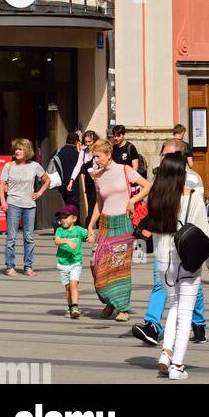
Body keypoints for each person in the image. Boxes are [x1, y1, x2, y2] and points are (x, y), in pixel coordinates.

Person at [130, 139, 208, 346]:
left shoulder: (192, 179)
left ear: (179, 156)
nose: (162, 157)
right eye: (162, 154)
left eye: (167, 154)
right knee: (160, 283)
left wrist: (208, 259)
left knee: (191, 288)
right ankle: (152, 324)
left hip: (184, 242)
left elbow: (197, 211)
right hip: (163, 241)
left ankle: (198, 323)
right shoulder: (159, 177)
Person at [147, 152, 209, 381]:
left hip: (163, 261)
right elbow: (203, 232)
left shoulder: (156, 197)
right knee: (185, 312)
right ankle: (177, 365)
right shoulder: (193, 197)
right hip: (186, 261)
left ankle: (166, 352)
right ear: (181, 173)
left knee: (174, 305)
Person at [86, 137, 141, 320]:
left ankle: (123, 308)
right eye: (94, 157)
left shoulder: (125, 170)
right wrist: (90, 225)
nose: (96, 160)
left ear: (108, 155)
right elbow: (99, 203)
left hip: (123, 224)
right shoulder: (98, 176)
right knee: (97, 264)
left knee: (119, 267)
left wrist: (132, 200)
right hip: (106, 224)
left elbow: (147, 186)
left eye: (98, 156)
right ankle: (110, 300)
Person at [0, 138, 49, 276]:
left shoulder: (34, 165)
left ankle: (28, 266)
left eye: (20, 149)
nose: (17, 151)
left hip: (29, 206)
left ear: (27, 151)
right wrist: (4, 202)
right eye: (16, 149)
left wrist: (39, 193)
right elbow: (2, 184)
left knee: (29, 237)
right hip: (13, 204)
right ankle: (10, 266)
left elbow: (47, 180)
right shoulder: (8, 166)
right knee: (11, 237)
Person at [52, 203, 87, 319]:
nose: (62, 219)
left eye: (65, 217)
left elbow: (88, 235)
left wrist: (92, 237)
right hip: (63, 263)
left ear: (74, 218)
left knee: (73, 284)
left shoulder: (78, 230)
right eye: (61, 217)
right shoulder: (60, 230)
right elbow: (56, 241)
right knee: (67, 288)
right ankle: (70, 306)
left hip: (76, 262)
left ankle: (75, 306)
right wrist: (66, 241)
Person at [50, 132, 86, 212]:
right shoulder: (77, 154)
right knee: (74, 208)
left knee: (67, 206)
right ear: (76, 142)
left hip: (62, 184)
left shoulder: (60, 152)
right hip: (74, 184)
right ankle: (73, 222)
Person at [78, 130, 98, 229]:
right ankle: (89, 229)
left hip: (98, 181)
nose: (87, 144)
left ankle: (92, 228)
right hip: (89, 182)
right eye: (85, 142)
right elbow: (79, 167)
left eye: (89, 141)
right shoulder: (84, 152)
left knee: (97, 206)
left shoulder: (97, 151)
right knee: (91, 206)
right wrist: (72, 179)